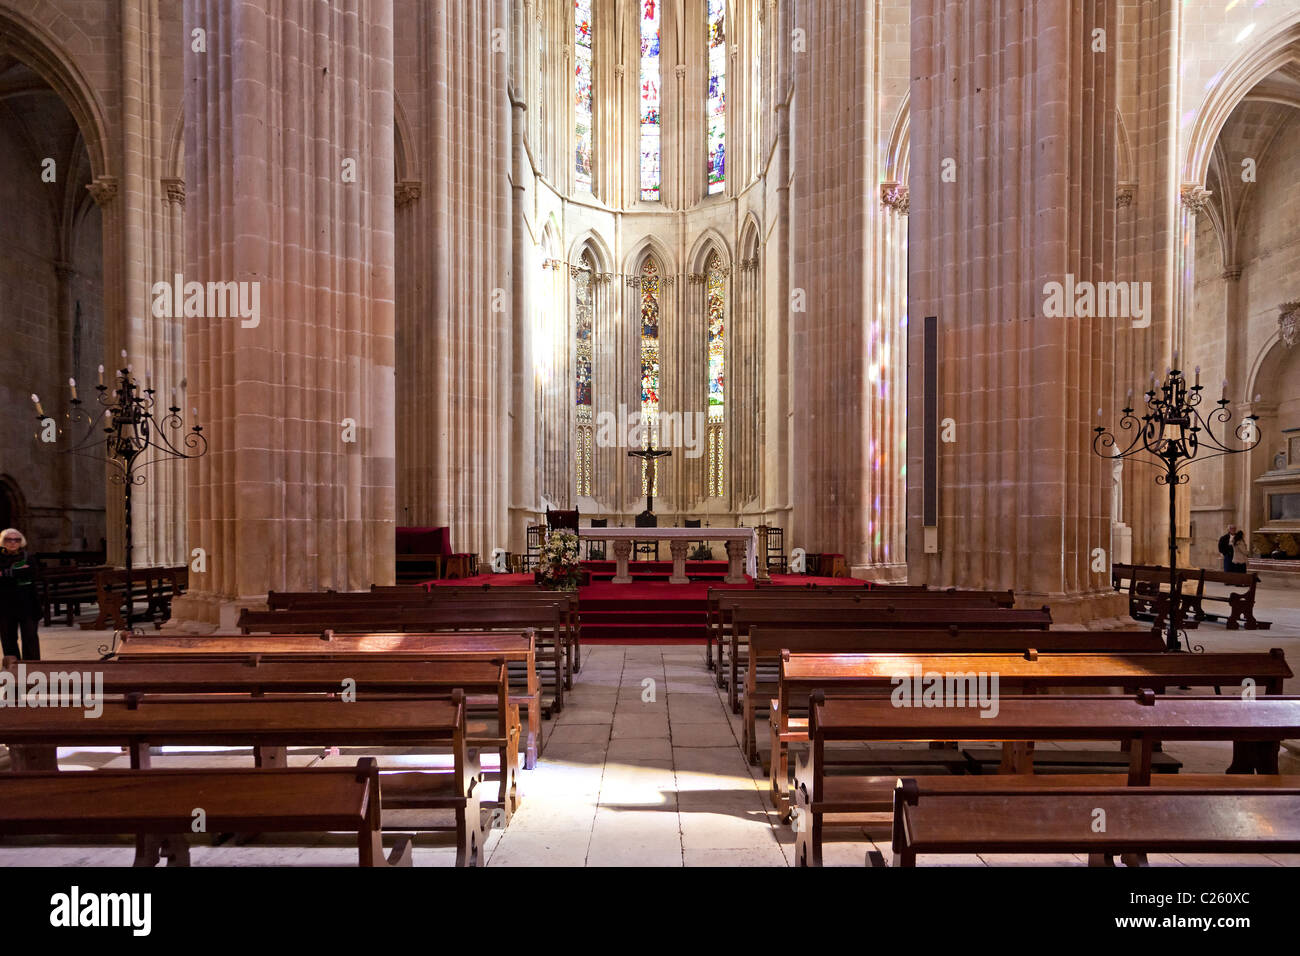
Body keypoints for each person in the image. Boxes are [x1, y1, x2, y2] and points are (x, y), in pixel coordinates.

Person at [0, 528, 41, 660]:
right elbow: (21, 576)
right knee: (8, 638)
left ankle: (33, 670)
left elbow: (31, 576)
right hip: (4, 604)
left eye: (16, 540)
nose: (13, 543)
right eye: (8, 539)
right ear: (2, 542)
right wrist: (16, 573)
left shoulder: (28, 558)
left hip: (27, 603)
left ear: (21, 542)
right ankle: (13, 670)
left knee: (30, 638)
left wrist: (7, 574)